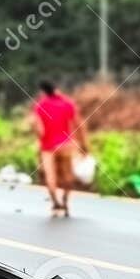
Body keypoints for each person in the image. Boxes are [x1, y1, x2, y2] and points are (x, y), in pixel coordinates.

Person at [32, 79, 90, 217]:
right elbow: (79, 125)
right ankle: (65, 200)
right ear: (56, 88)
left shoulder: (40, 106)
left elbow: (40, 130)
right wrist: (84, 145)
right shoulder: (67, 103)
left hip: (47, 147)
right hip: (66, 145)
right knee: (68, 177)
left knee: (50, 177)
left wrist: (37, 136)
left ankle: (55, 203)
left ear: (43, 92)